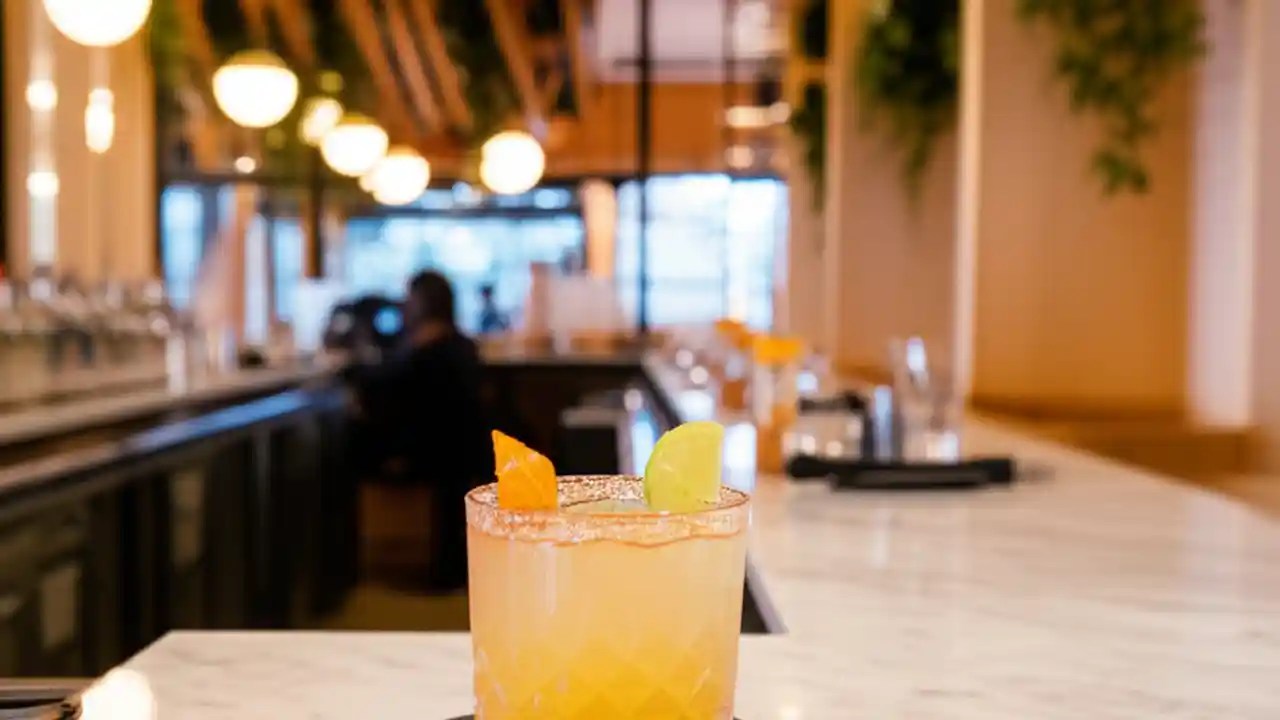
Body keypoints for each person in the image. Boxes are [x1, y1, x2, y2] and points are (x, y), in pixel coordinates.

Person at [358, 271, 493, 591]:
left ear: (421, 304)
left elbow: (383, 394)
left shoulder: (424, 352)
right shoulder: (462, 346)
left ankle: (354, 563)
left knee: (345, 450)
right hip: (466, 452)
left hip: (429, 453)